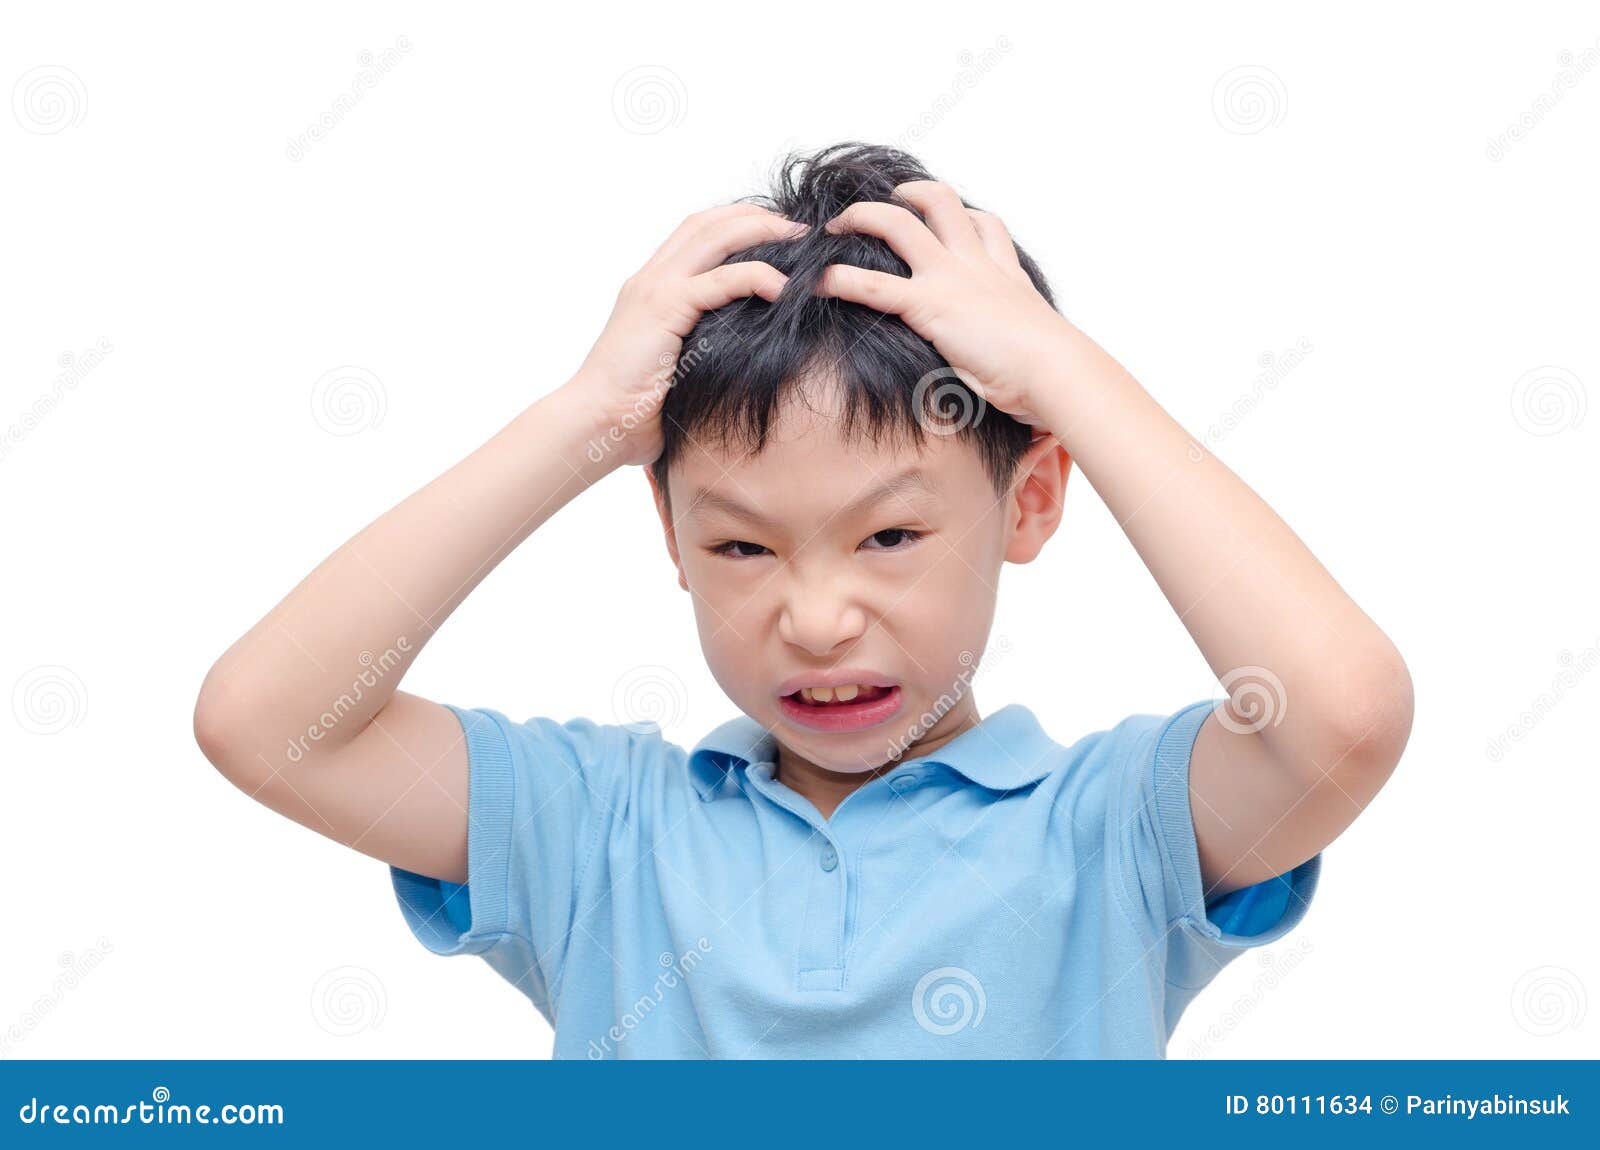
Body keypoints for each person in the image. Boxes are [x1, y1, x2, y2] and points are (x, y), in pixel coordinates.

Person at [193, 143, 1412, 1058]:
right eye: (740, 547)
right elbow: (267, 721)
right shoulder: (600, 835)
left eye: (888, 533)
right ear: (668, 533)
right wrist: (580, 423)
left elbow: (1340, 719)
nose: (817, 617)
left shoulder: (1113, 836)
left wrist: (1063, 375)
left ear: (1031, 501)